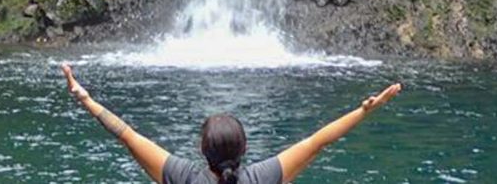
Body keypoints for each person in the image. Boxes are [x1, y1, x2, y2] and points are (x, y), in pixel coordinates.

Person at [61, 64, 402, 183]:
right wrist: (364, 110)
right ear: (246, 148)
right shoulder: (261, 178)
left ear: (201, 150)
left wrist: (87, 99)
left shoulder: (184, 177)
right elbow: (317, 142)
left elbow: (127, 136)